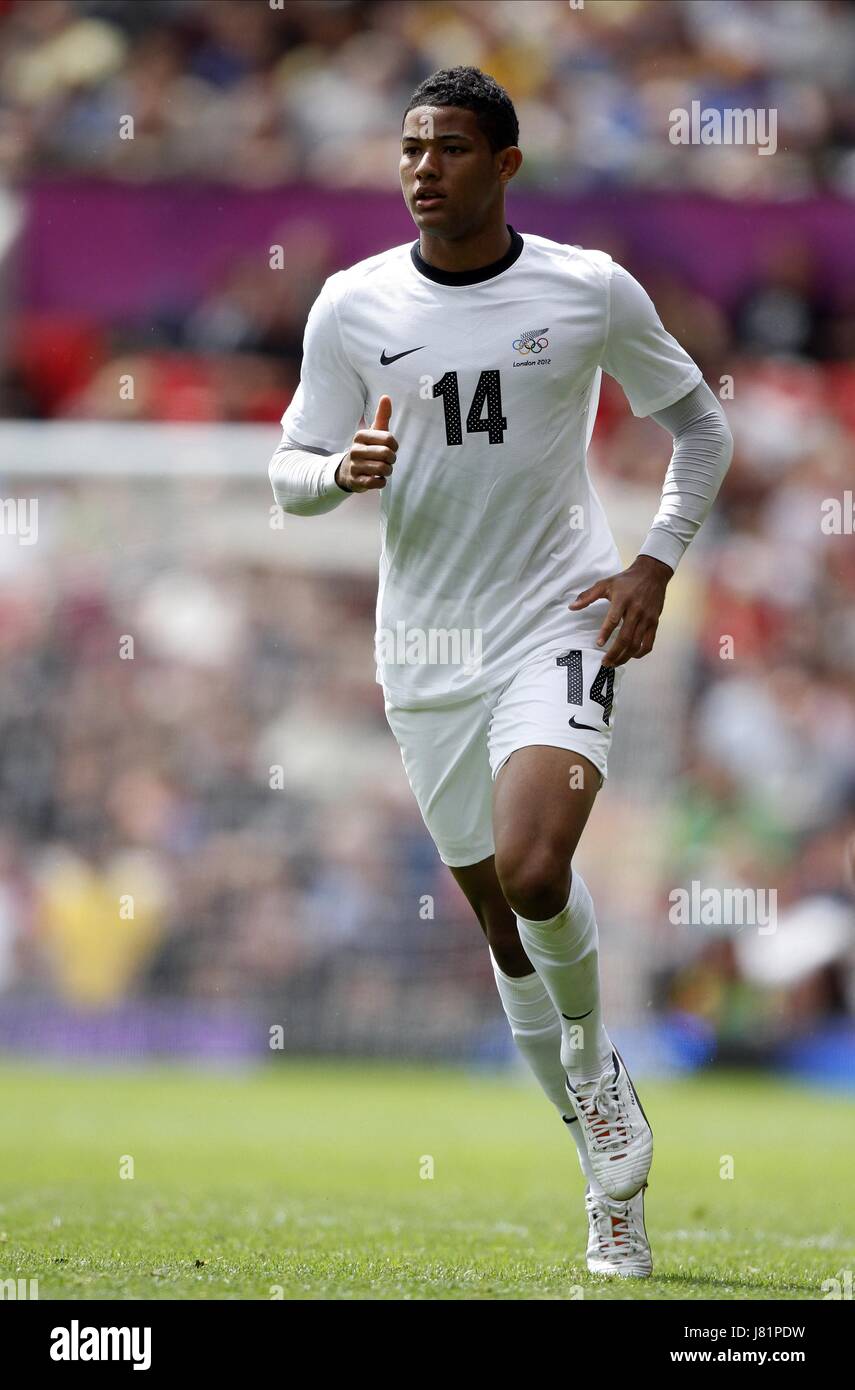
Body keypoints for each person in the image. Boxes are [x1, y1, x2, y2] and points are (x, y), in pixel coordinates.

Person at [268, 66, 733, 1278]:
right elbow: (289, 466)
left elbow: (701, 424)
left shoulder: (585, 292)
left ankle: (595, 1070)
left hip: (555, 617)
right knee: (499, 921)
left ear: (507, 165)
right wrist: (337, 477)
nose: (426, 167)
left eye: (454, 148)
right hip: (423, 647)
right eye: (412, 147)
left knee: (535, 870)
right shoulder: (350, 305)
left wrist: (655, 564)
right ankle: (606, 1180)